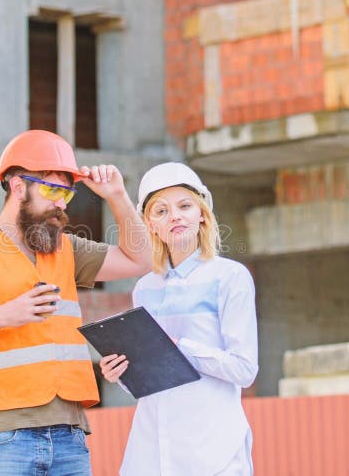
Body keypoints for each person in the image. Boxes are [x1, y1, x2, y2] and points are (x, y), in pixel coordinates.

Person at [0, 129, 152, 476]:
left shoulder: (67, 249)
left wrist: (117, 196)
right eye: (51, 190)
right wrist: (3, 315)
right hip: (0, 439)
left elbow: (142, 260)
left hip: (69, 438)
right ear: (17, 186)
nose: (61, 203)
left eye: (67, 194)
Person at [100, 162, 258, 476]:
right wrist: (121, 372)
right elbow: (149, 384)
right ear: (150, 225)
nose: (174, 216)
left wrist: (179, 347)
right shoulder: (145, 288)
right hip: (151, 448)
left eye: (185, 206)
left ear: (202, 214)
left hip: (213, 448)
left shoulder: (230, 277)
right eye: (161, 211)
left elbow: (244, 369)